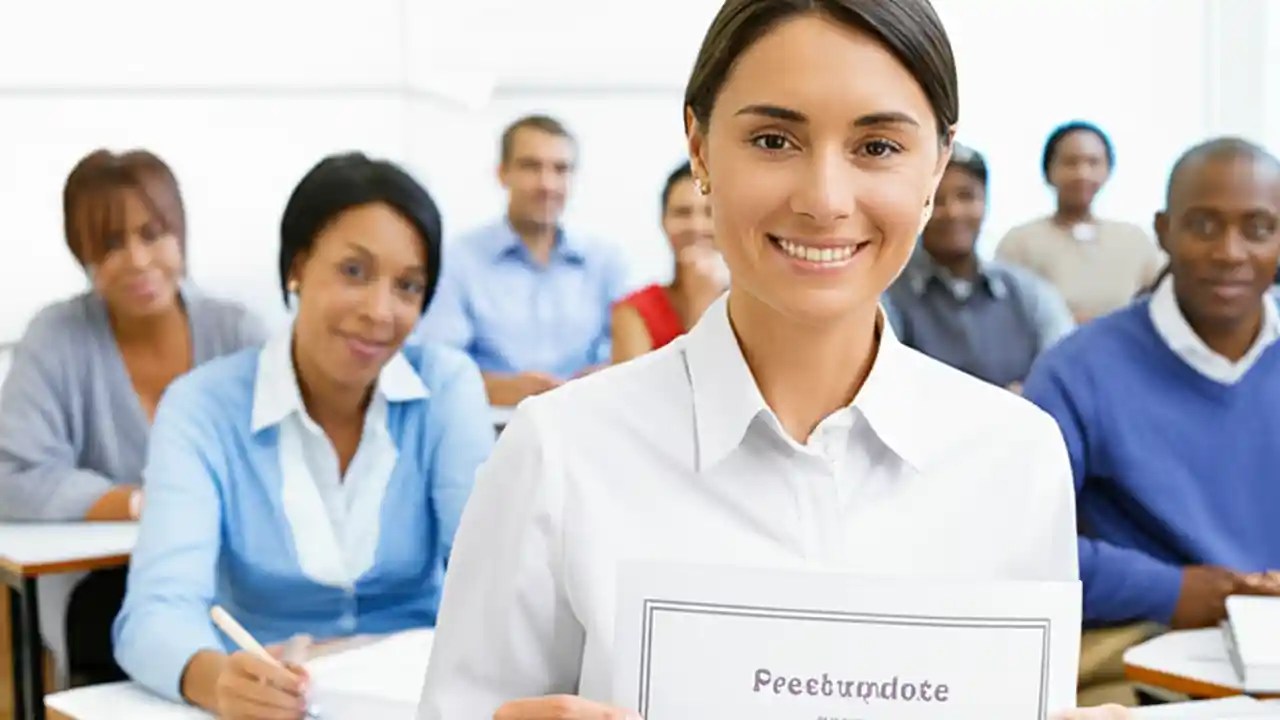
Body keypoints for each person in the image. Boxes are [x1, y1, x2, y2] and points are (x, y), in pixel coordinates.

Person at [418, 2, 1123, 718]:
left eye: (876, 147)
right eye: (774, 139)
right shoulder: (560, 451)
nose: (823, 199)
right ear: (699, 146)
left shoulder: (1016, 457)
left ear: (937, 163)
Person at [111, 152, 494, 719]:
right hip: (267, 703)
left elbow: (489, 578)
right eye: (354, 272)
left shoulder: (446, 387)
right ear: (297, 266)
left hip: (416, 699)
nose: (379, 311)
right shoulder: (202, 408)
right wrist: (214, 678)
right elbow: (153, 612)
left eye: (408, 286)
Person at [1023, 137, 1280, 706]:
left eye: (1258, 228)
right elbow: (1020, 541)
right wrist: (1174, 590)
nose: (1230, 251)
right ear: (1163, 232)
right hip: (1147, 648)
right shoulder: (1078, 368)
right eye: (1204, 226)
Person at [0, 148, 264, 685]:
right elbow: (11, 475)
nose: (139, 259)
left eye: (153, 233)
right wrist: (144, 503)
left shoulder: (238, 332)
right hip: (103, 584)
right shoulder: (55, 337)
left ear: (180, 235)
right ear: (84, 256)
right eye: (112, 244)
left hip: (233, 573)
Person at [416, 114, 631, 406]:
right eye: (531, 167)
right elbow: (436, 365)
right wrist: (506, 390)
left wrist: (593, 383)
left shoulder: (606, 262)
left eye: (560, 169)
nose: (547, 184)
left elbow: (630, 361)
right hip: (491, 426)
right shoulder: (457, 261)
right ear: (502, 173)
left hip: (587, 424)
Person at [884, 143, 1073, 390]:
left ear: (985, 202)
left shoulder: (1029, 294)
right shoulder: (889, 295)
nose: (952, 212)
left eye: (966, 196)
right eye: (936, 200)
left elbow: (1064, 375)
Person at [996, 121, 1163, 323]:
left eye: (1093, 163)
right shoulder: (1020, 242)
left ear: (1108, 170)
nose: (1082, 173)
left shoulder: (1134, 240)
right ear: (1048, 171)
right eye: (1070, 163)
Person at [612, 161, 728, 363]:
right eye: (682, 213)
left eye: (710, 213)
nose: (696, 226)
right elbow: (633, 393)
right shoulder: (635, 311)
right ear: (663, 221)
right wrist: (700, 307)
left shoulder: (762, 305)